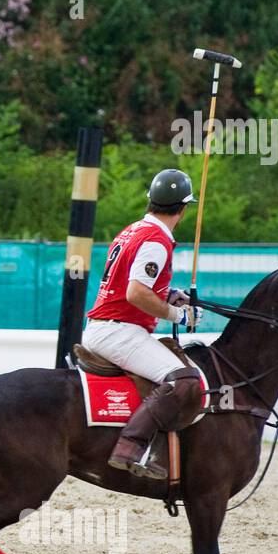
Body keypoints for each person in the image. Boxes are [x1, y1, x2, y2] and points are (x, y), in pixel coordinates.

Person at [81, 169, 203, 480]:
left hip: (105, 325)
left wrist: (171, 295)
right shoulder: (156, 240)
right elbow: (135, 292)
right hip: (118, 330)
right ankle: (131, 447)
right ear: (183, 209)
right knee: (184, 380)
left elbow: (133, 283)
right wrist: (176, 315)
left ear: (151, 201)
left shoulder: (132, 230)